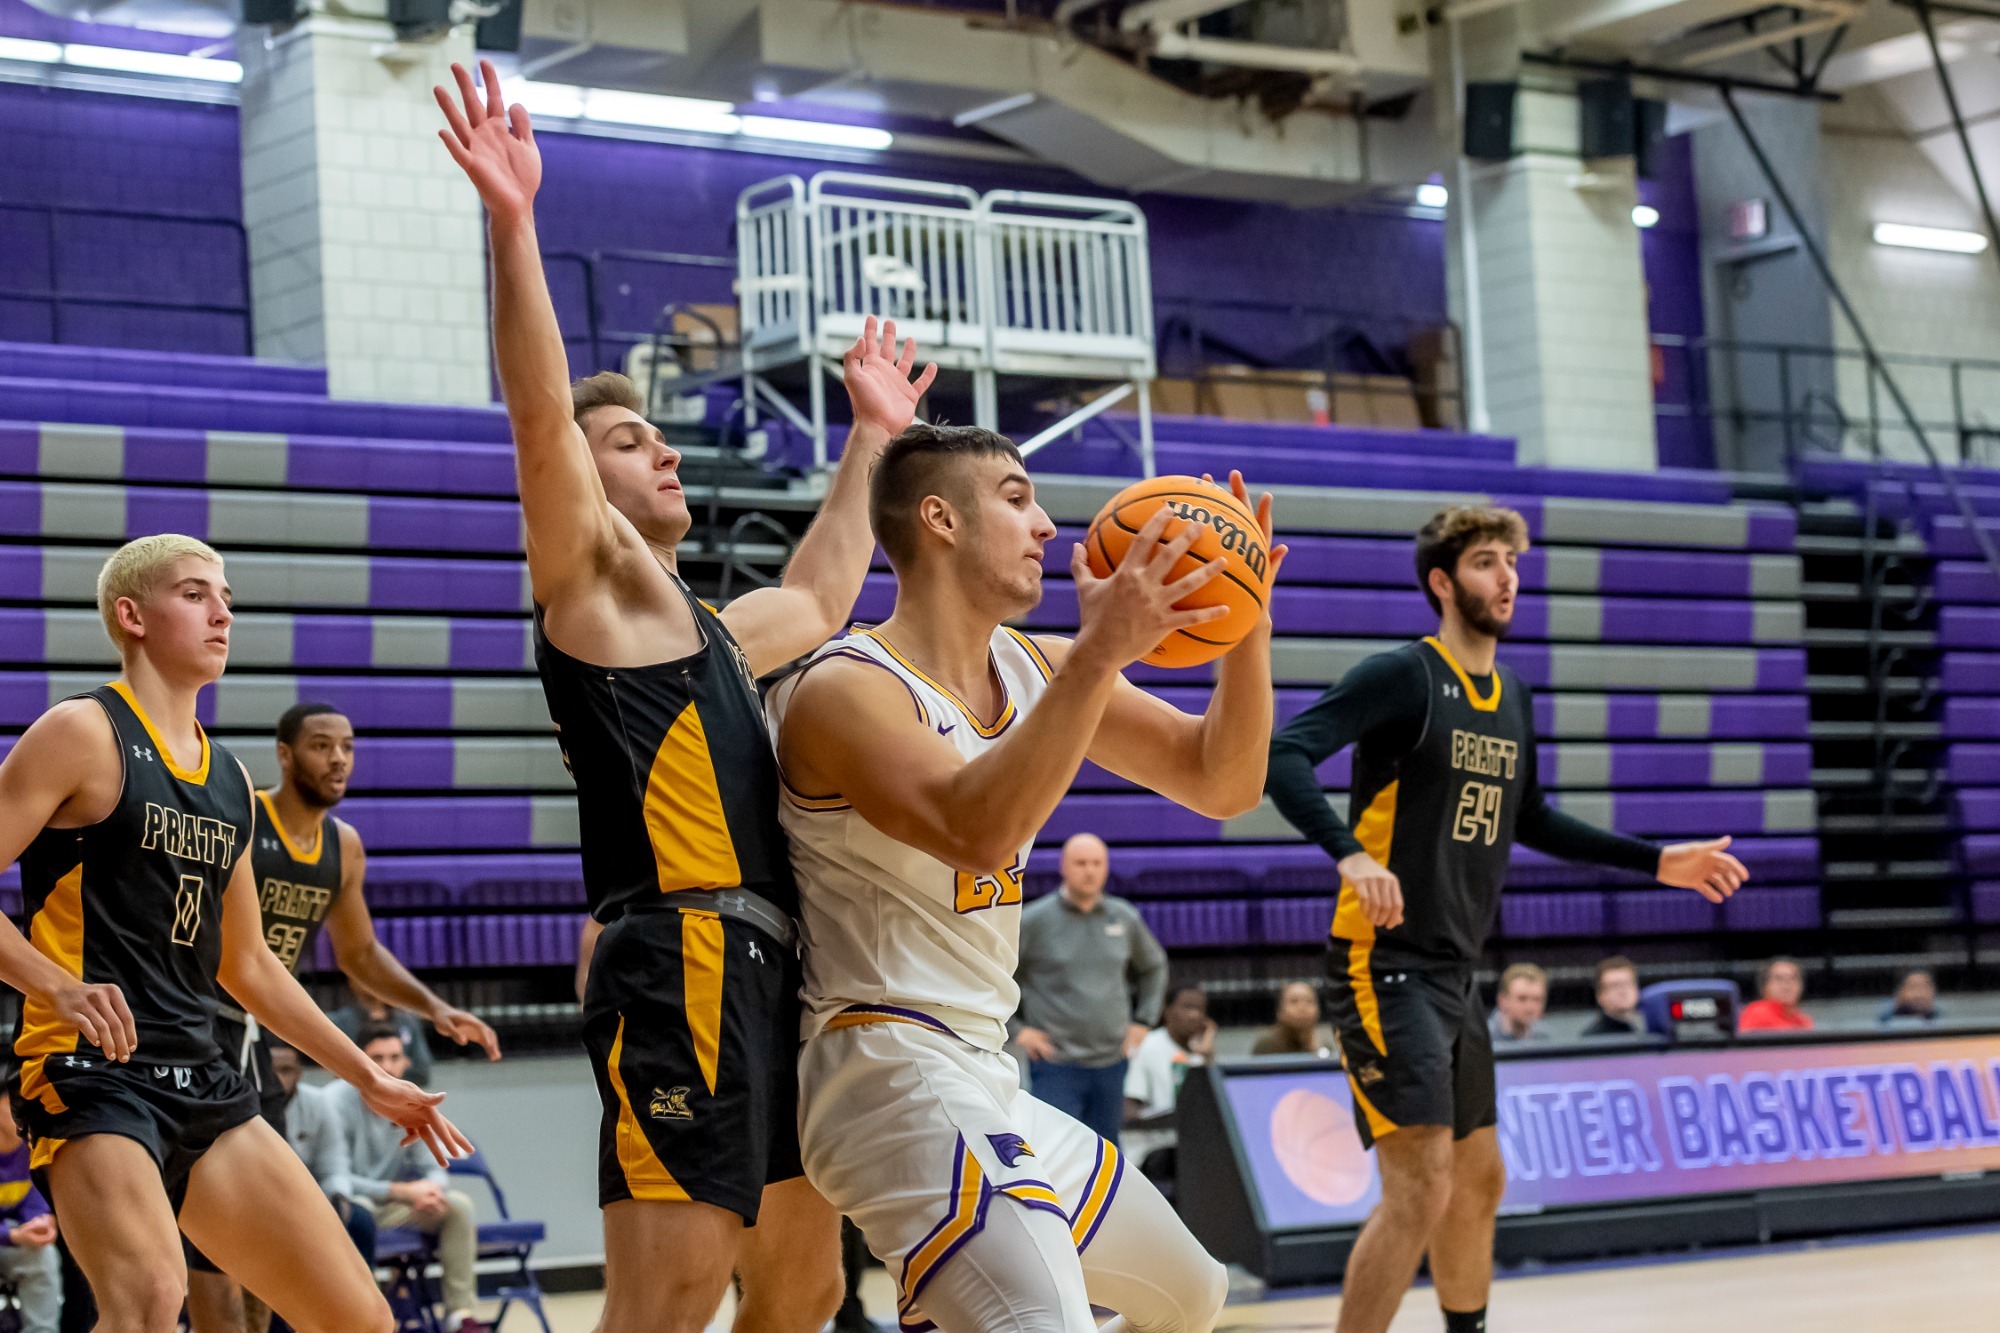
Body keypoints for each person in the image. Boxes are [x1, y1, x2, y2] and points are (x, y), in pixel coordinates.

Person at [435, 61, 932, 1333]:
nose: (659, 444)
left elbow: (821, 598)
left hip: (770, 964)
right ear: (583, 486)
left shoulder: (709, 625)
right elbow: (540, 410)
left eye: (658, 434)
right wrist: (512, 224)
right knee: (666, 1297)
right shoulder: (594, 586)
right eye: (627, 442)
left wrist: (872, 432)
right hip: (684, 951)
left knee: (806, 1282)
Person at [769, 425, 1284, 1332]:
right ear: (940, 520)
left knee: (1191, 1295)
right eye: (1016, 497)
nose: (1047, 524)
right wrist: (1098, 653)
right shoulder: (845, 687)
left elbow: (1222, 782)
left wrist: (1245, 623)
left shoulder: (1031, 666)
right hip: (885, 1066)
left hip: (984, 1070)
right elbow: (977, 828)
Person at [1264, 504, 1748, 1333]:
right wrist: (1350, 853)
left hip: (1456, 972)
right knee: (1419, 1189)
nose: (1509, 577)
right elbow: (1283, 753)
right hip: (1380, 965)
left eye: (1513, 562)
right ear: (1443, 582)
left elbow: (1533, 816)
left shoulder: (1511, 694)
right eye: (1488, 562)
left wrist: (1656, 859)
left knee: (1478, 1178)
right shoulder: (1403, 676)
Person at [0, 534, 468, 1333]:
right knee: (150, 1297)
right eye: (194, 594)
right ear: (131, 614)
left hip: (204, 1074)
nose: (222, 611)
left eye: (227, 597)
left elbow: (247, 964)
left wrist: (366, 1075)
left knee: (362, 1319)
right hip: (91, 1072)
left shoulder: (230, 781)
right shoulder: (82, 731)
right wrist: (56, 983)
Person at [189, 703, 501, 1333]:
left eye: (348, 748)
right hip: (196, 1023)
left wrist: (433, 1007)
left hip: (257, 1038)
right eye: (321, 746)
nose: (338, 760)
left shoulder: (343, 846)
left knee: (266, 1229)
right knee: (212, 1247)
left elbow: (358, 953)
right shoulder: (245, 812)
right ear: (284, 753)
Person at [1012, 833, 1169, 1142]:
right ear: (1063, 867)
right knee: (1056, 1150)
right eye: (1081, 863)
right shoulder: (1033, 920)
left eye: (1097, 863)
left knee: (1106, 1153)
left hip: (1112, 1061)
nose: (1089, 871)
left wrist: (1144, 1022)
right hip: (1055, 1063)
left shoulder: (1123, 916)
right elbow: (998, 976)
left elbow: (1154, 966)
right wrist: (1017, 1030)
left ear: (1106, 868)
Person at [326, 1028, 484, 1332]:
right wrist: (401, 1190)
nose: (387, 1065)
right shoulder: (333, 1102)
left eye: (395, 1057)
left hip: (395, 1205)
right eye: (377, 1057)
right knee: (356, 1210)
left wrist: (432, 1190)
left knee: (458, 1206)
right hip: (350, 1205)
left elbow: (434, 1165)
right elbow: (334, 1178)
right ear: (360, 1061)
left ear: (405, 1063)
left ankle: (460, 1315)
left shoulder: (409, 1099)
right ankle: (366, 1318)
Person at [267, 1043, 377, 1264]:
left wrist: (337, 1197)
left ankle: (363, 1293)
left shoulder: (318, 1102)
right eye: (271, 1071)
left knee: (360, 1220)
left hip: (312, 1198)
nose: (278, 1078)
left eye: (286, 1070)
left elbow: (334, 1164)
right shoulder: (245, 1104)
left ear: (299, 1072)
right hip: (262, 1201)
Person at [1123, 985, 1216, 1183]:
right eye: (1187, 1008)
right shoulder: (1149, 1046)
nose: (1194, 1015)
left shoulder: (1199, 1054)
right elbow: (1129, 1110)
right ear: (1167, 1011)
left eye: (1200, 1009)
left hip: (1189, 1149)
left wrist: (1208, 1059)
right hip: (1153, 1151)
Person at [0, 1083, 61, 1333]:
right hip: (7, 1237)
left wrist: (42, 1223)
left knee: (42, 1254)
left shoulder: (31, 1146)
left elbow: (36, 1203)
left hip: (11, 1243)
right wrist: (11, 1235)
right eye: (12, 1102)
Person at [1251, 981, 1333, 1057]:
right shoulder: (1266, 1047)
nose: (1302, 1007)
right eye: (1294, 1001)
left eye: (1309, 1001)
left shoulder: (1324, 1048)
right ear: (1279, 1011)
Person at [1738, 957, 1813, 1032]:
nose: (1787, 985)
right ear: (1764, 986)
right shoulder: (1757, 1013)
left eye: (1793, 978)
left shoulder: (1803, 1021)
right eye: (1779, 979)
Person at [1580, 956, 1645, 1038]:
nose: (1622, 991)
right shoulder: (1593, 1039)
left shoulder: (1650, 1028)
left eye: (1627, 983)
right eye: (1614, 985)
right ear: (1600, 996)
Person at [1487, 963, 1549, 1046]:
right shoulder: (1482, 1038)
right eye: (1522, 999)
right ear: (1502, 1001)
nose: (1529, 1007)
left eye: (1537, 999)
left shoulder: (1545, 1037)